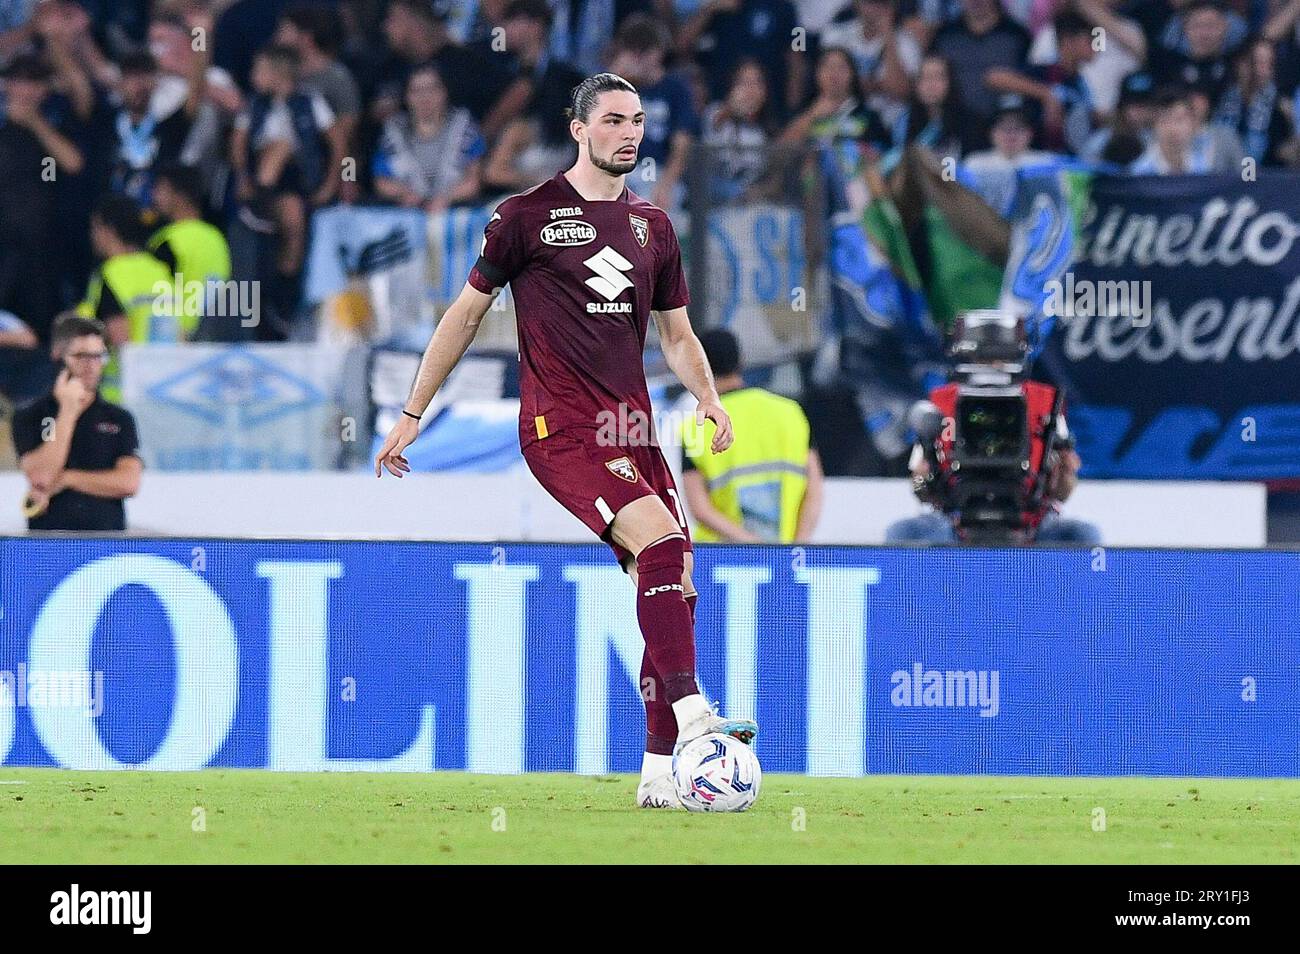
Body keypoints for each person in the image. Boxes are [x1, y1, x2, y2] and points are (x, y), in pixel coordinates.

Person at [374, 72, 757, 811]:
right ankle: (693, 717)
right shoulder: (526, 216)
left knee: (674, 584)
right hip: (561, 427)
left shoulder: (654, 228)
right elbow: (463, 314)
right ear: (579, 129)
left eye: (638, 121)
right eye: (613, 120)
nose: (630, 133)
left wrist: (708, 395)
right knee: (664, 550)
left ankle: (656, 780)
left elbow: (676, 336)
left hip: (634, 430)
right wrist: (414, 411)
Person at [680, 328, 824, 544]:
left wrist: (750, 544)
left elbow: (699, 508)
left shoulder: (696, 426)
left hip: (722, 561)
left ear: (698, 366)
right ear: (741, 362)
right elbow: (814, 487)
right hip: (785, 553)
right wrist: (797, 545)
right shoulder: (790, 412)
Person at [12, 313, 142, 531]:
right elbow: (42, 476)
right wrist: (68, 411)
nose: (91, 365)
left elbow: (128, 482)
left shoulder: (119, 418)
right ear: (58, 355)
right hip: (48, 541)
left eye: (98, 356)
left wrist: (67, 479)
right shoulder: (31, 415)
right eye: (81, 356)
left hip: (106, 545)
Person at [77, 194, 177, 404]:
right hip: (164, 389)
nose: (92, 235)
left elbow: (120, 337)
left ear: (109, 230)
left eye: (95, 228)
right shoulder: (159, 271)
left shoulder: (112, 274)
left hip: (121, 395)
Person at [148, 163, 234, 340]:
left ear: (180, 196)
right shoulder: (218, 239)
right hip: (212, 338)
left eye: (160, 189)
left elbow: (152, 295)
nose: (154, 196)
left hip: (173, 339)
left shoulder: (168, 241)